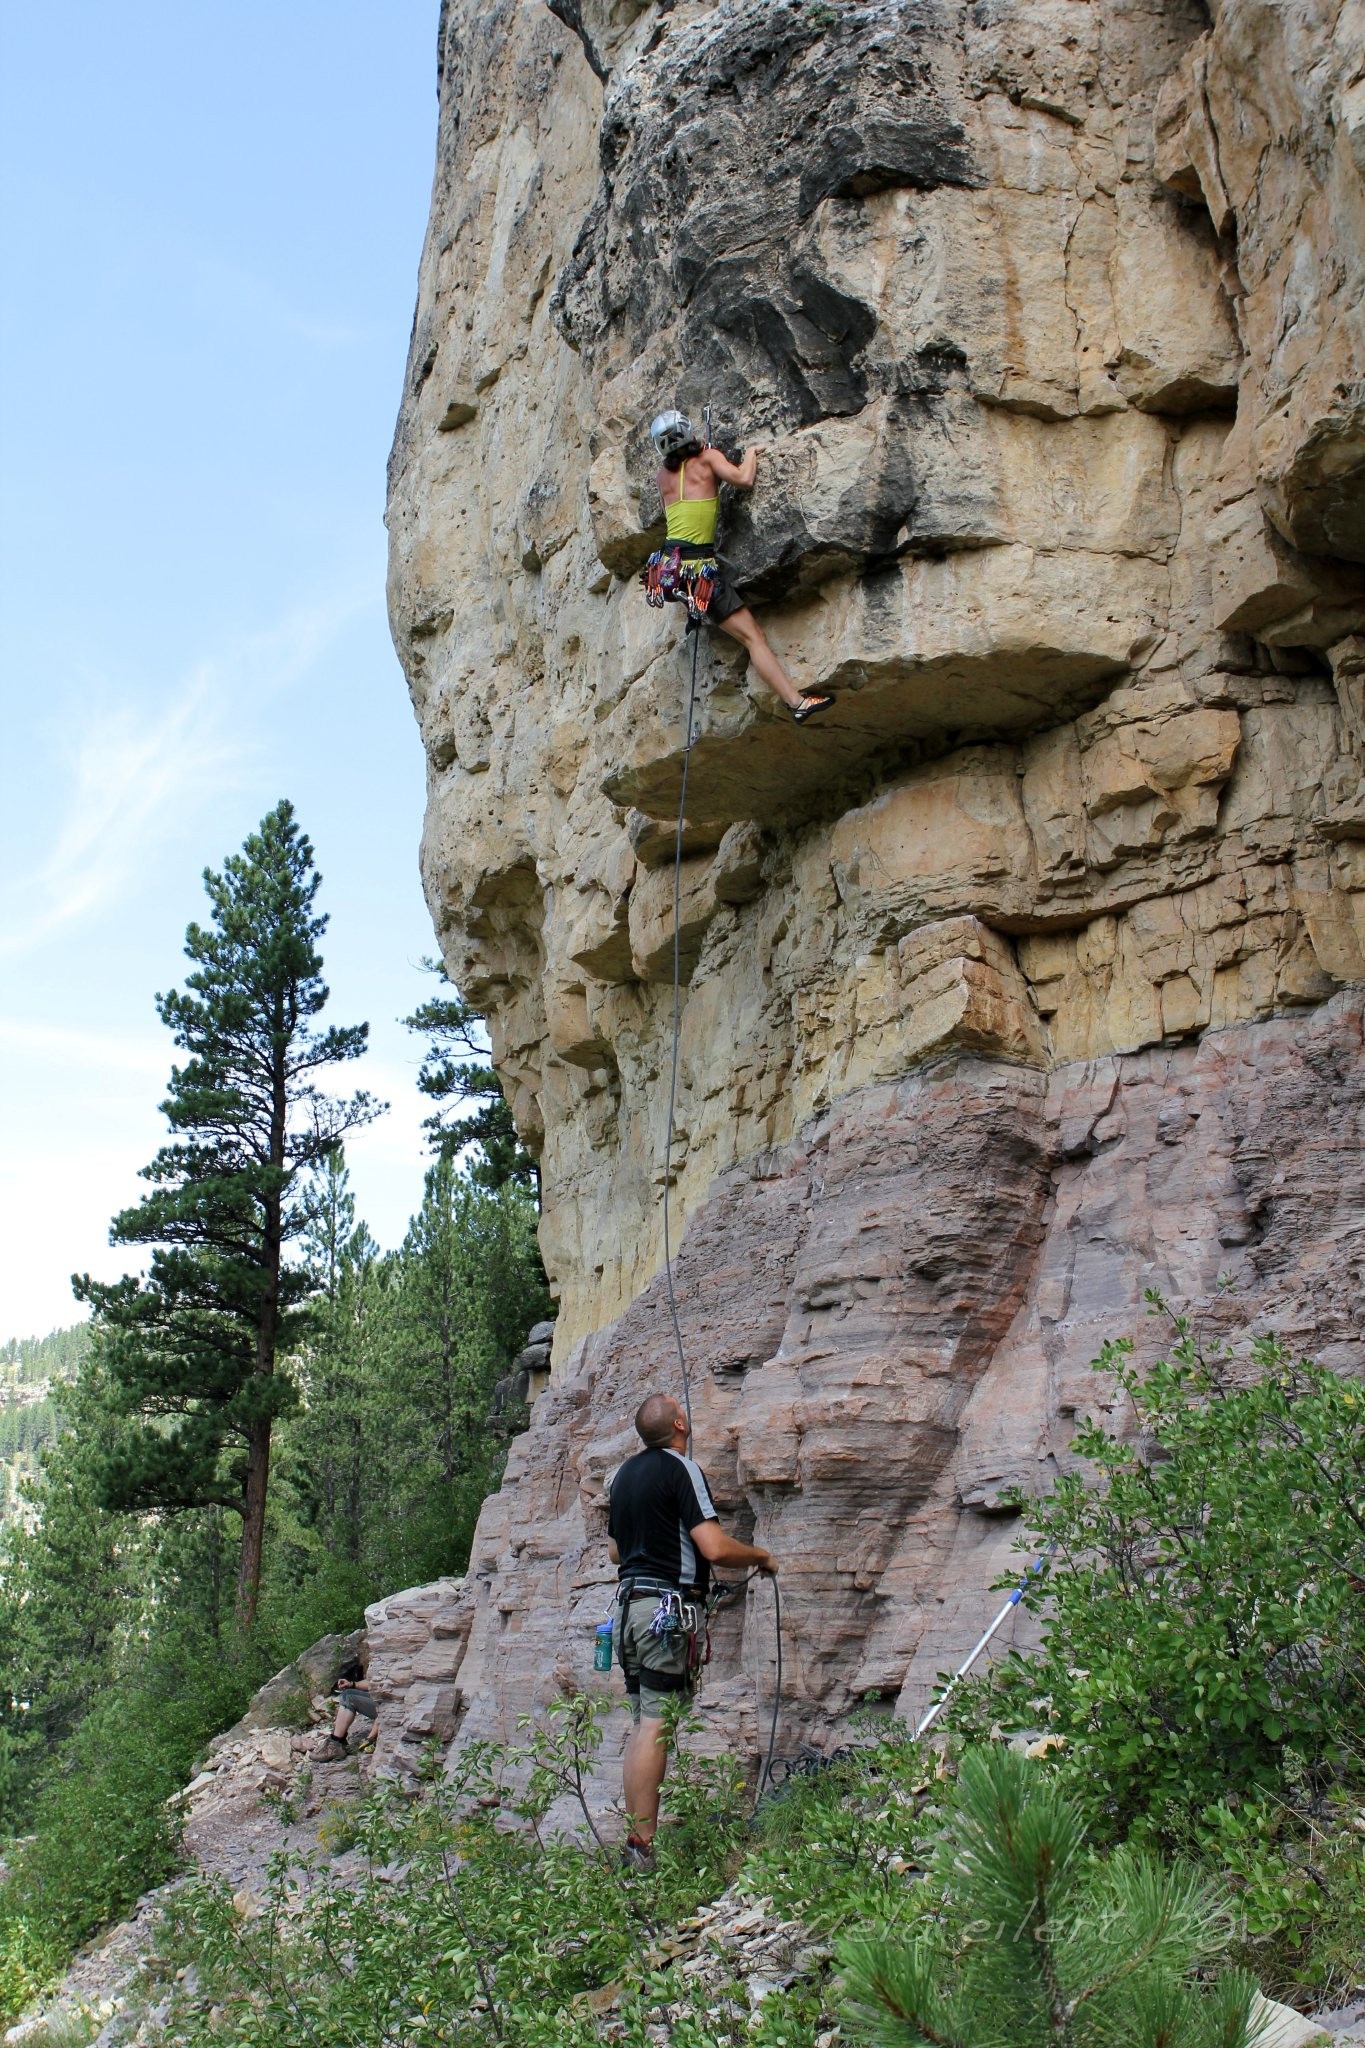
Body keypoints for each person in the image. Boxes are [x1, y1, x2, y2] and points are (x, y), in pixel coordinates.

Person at [606, 1391, 778, 1868]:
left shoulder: (623, 1477)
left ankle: (633, 1845)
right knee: (658, 1725)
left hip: (627, 1610)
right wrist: (762, 1556)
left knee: (643, 1723)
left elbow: (616, 1554)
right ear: (680, 1424)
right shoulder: (681, 1469)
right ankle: (642, 1849)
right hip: (664, 1612)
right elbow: (715, 1548)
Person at [645, 409, 835, 724]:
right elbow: (744, 479)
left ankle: (696, 607)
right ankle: (796, 702)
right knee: (753, 637)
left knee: (740, 628)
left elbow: (686, 503)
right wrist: (749, 452)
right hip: (700, 571)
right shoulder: (707, 459)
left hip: (670, 568)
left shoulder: (662, 477)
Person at [313, 1654, 378, 1762]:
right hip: (380, 1704)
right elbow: (374, 1683)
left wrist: (371, 1737)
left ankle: (336, 1744)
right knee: (347, 1695)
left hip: (389, 1709)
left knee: (348, 1696)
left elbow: (390, 1702)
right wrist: (352, 1684)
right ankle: (337, 1741)